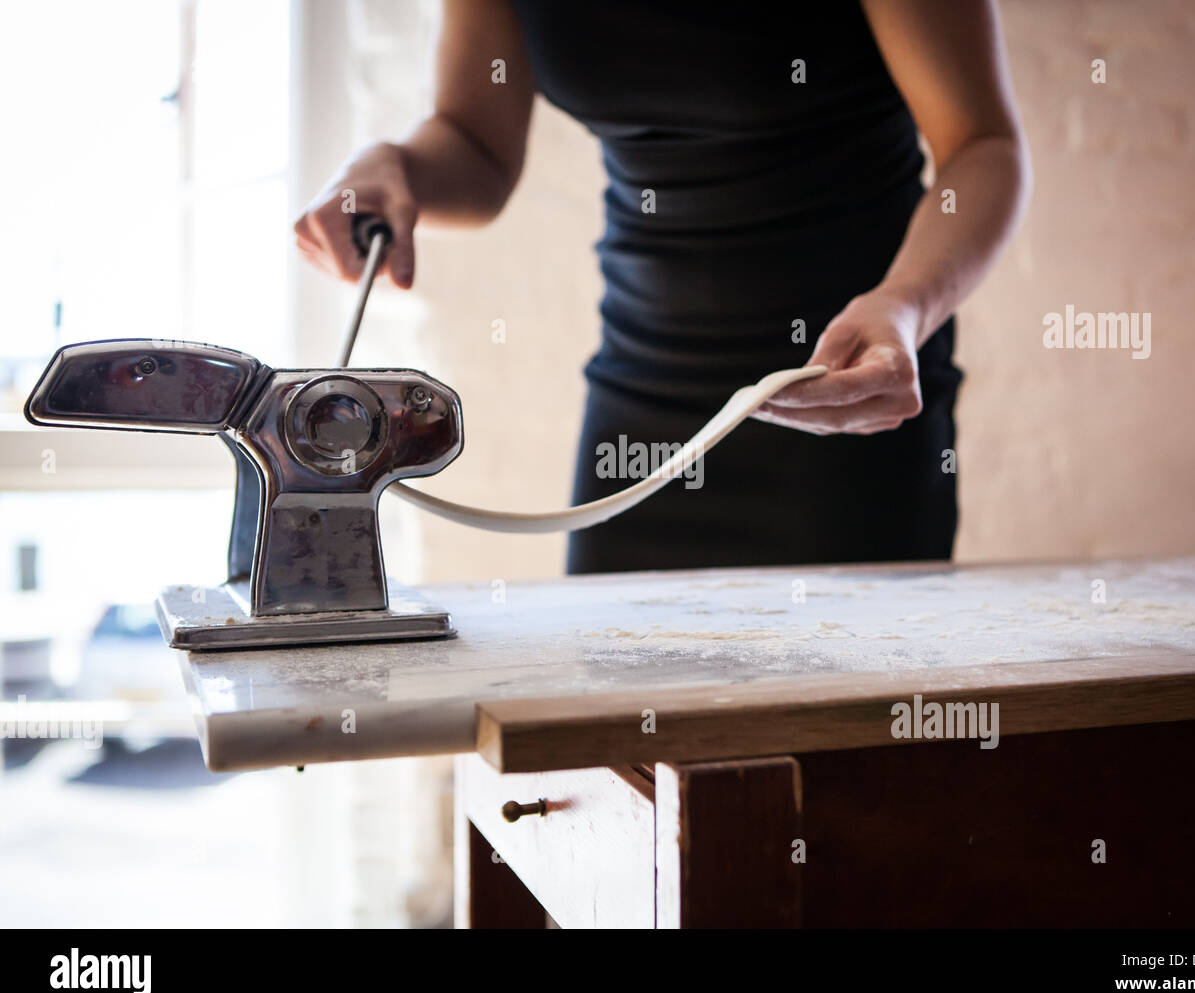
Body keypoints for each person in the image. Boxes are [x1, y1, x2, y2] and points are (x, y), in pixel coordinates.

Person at [295, 0, 1030, 574]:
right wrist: (390, 165)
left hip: (837, 392)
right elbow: (476, 146)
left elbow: (981, 145)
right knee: (619, 746)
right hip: (641, 393)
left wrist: (907, 303)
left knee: (839, 748)